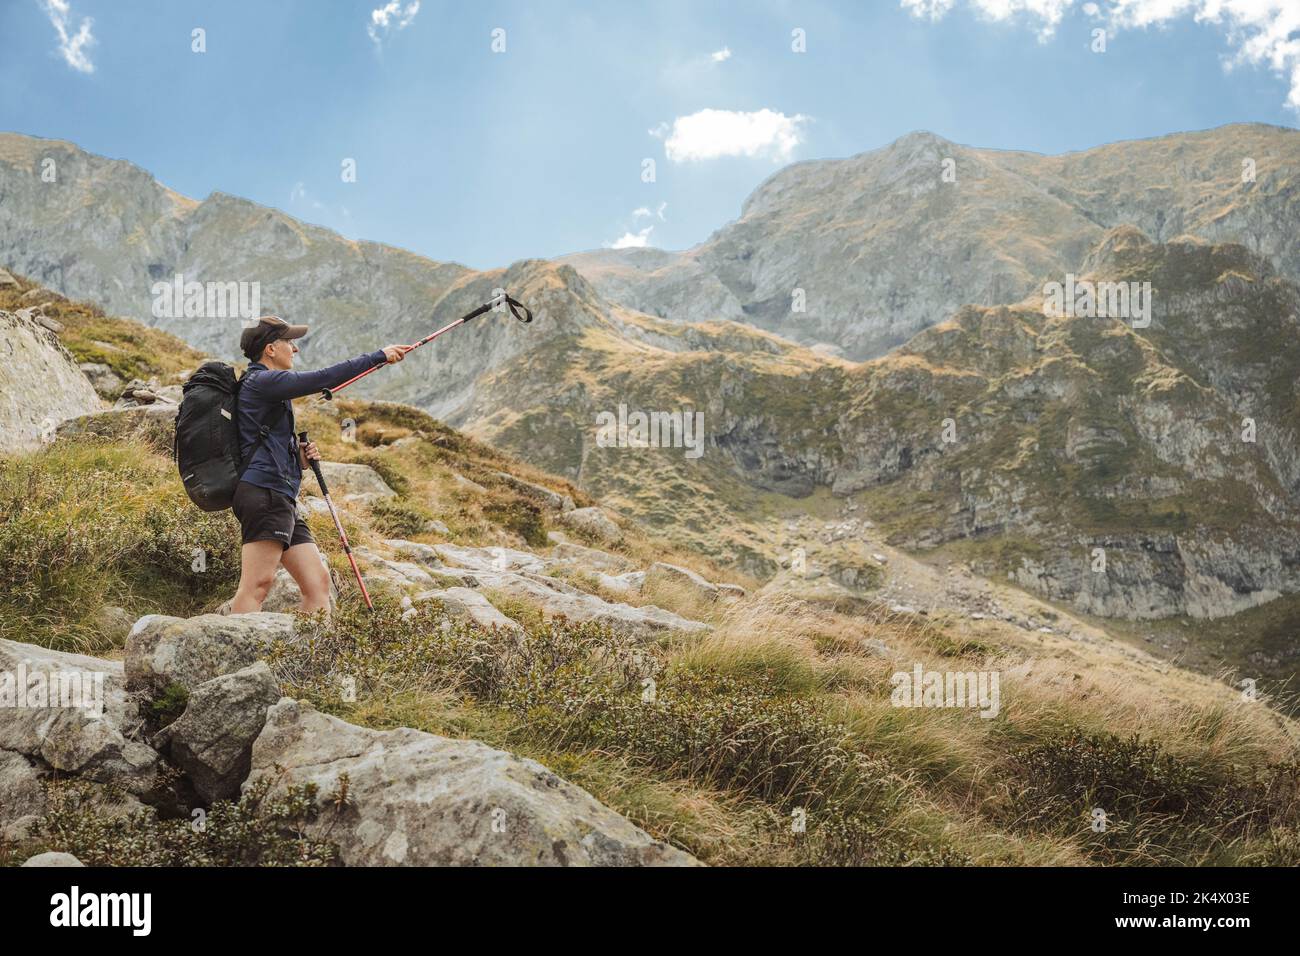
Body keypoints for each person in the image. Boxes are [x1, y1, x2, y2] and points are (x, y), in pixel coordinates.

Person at [228, 315, 411, 613]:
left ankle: (308, 658)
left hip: (280, 494)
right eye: (289, 342)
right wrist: (378, 356)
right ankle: (237, 653)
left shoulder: (268, 387)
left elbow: (261, 442)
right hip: (264, 493)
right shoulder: (263, 381)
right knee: (257, 585)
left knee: (318, 583)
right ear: (271, 349)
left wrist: (297, 457)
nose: (295, 349)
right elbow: (323, 378)